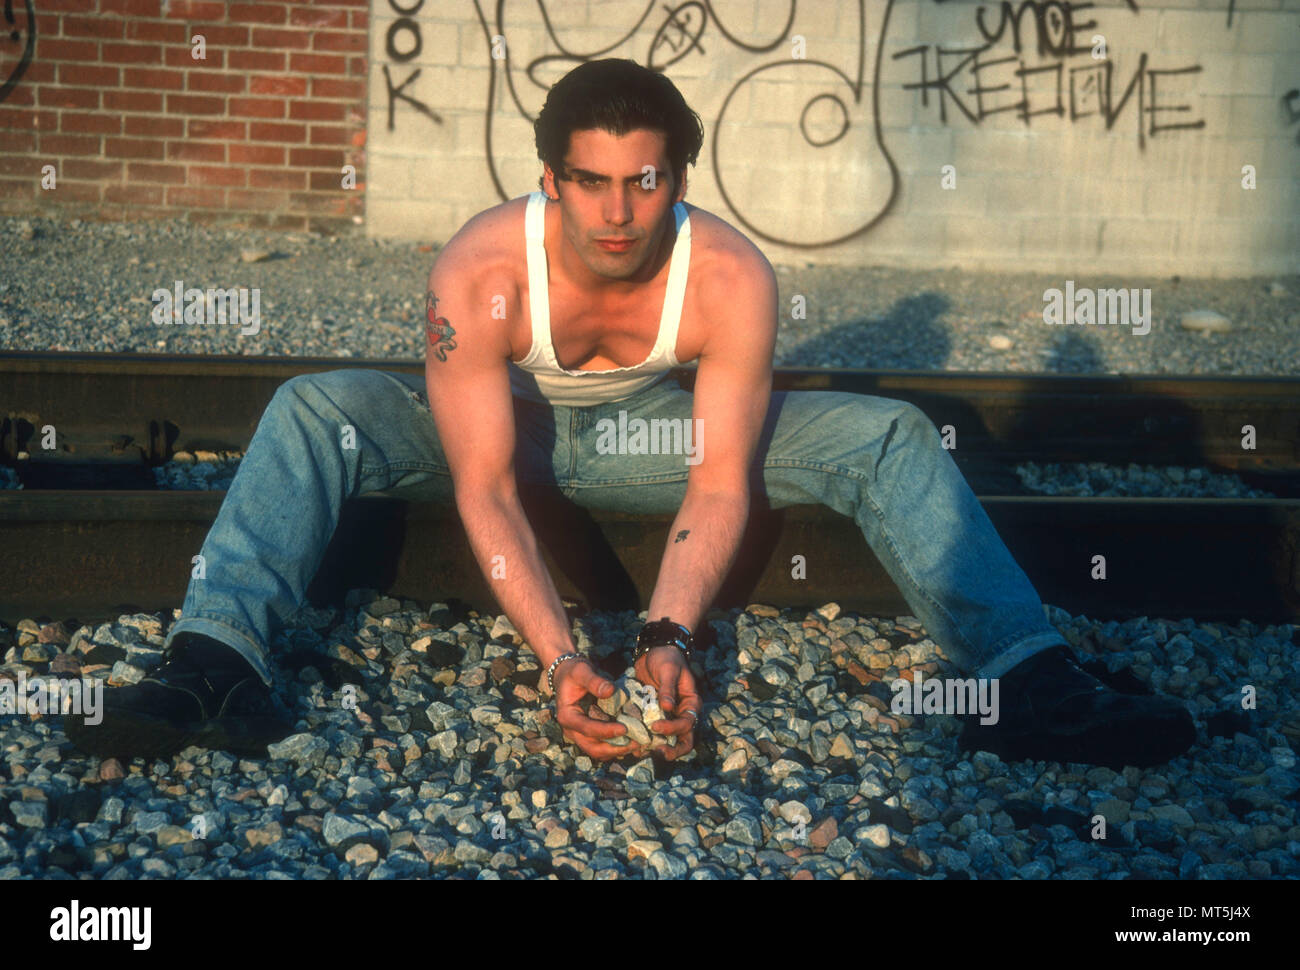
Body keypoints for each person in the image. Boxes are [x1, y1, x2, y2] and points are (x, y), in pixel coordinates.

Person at [65, 59, 1195, 769]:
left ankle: (1023, 680)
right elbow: (485, 488)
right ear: (550, 178)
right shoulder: (481, 266)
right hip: (506, 437)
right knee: (314, 406)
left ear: (680, 176)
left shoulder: (729, 277)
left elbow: (716, 479)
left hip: (658, 448)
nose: (617, 212)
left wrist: (661, 637)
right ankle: (214, 659)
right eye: (591, 182)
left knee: (888, 428)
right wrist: (563, 656)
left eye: (644, 182)